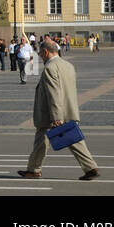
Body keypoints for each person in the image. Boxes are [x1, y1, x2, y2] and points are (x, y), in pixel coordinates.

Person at [18, 38, 99, 181]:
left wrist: (57, 117)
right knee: (74, 140)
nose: (40, 57)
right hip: (69, 109)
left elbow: (53, 93)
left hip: (51, 114)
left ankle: (34, 170)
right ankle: (90, 167)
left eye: (40, 54)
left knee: (41, 142)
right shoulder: (68, 65)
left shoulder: (50, 67)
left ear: (45, 52)